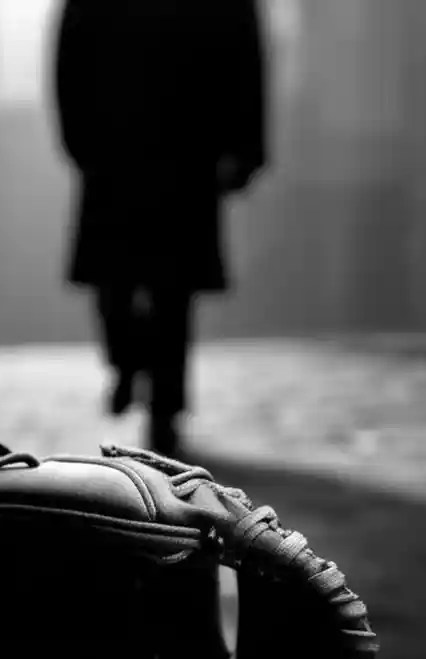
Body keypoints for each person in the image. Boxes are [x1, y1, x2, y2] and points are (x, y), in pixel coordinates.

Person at [53, 0, 268, 456]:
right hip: (126, 143)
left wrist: (246, 147)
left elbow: (245, 53)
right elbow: (70, 51)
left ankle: (164, 403)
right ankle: (130, 362)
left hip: (181, 143)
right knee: (122, 282)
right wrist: (78, 136)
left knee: (170, 287)